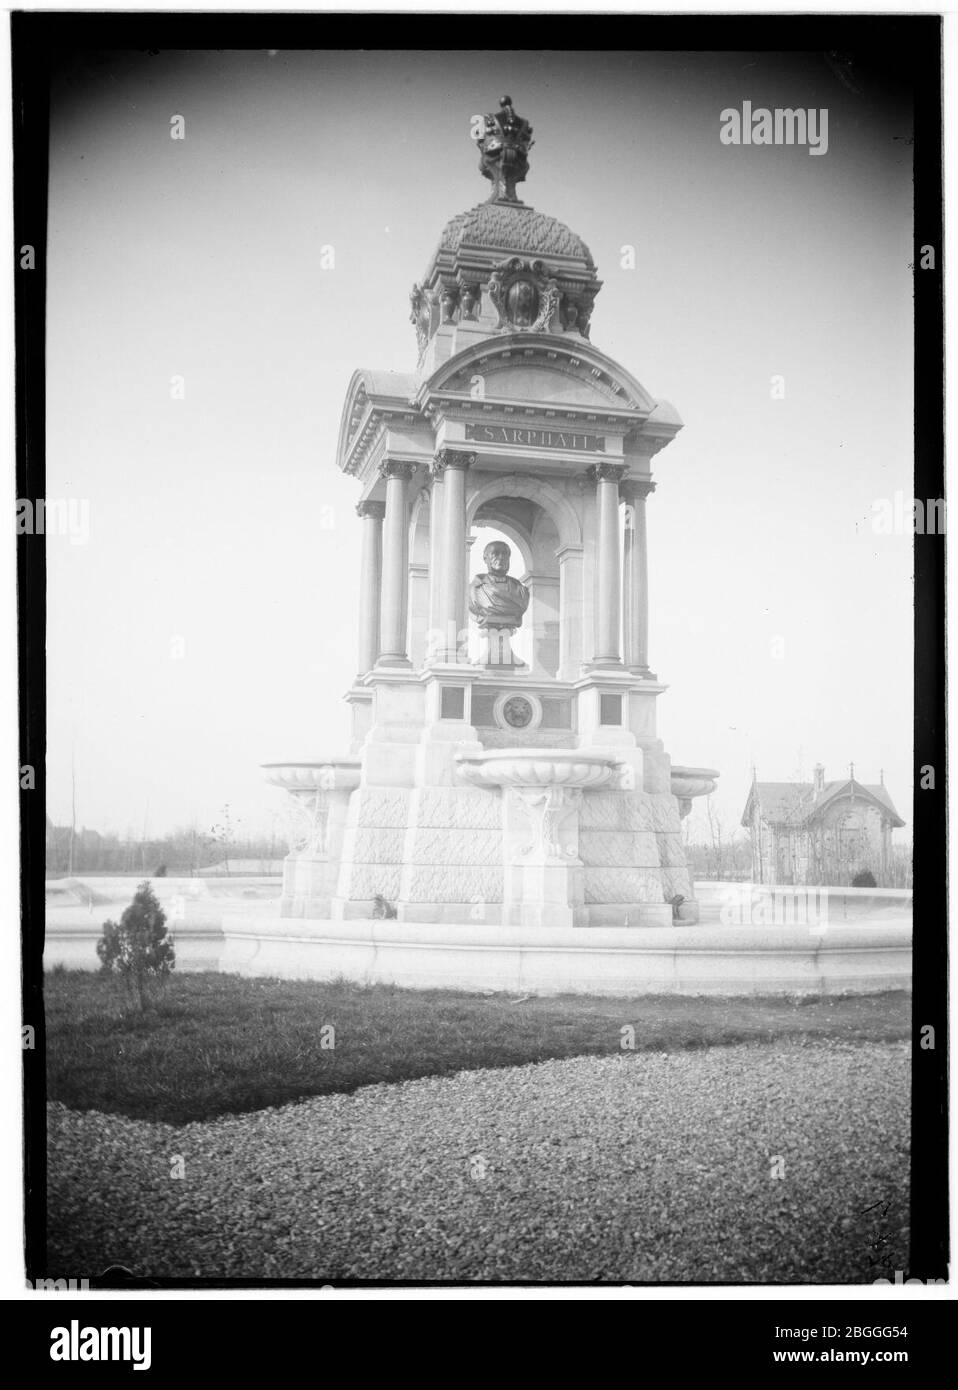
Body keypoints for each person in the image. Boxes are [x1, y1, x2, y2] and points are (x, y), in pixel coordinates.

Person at [468, 541, 529, 630]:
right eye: (495, 554)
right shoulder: (475, 589)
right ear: (485, 558)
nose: (501, 558)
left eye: (505, 554)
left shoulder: (521, 590)